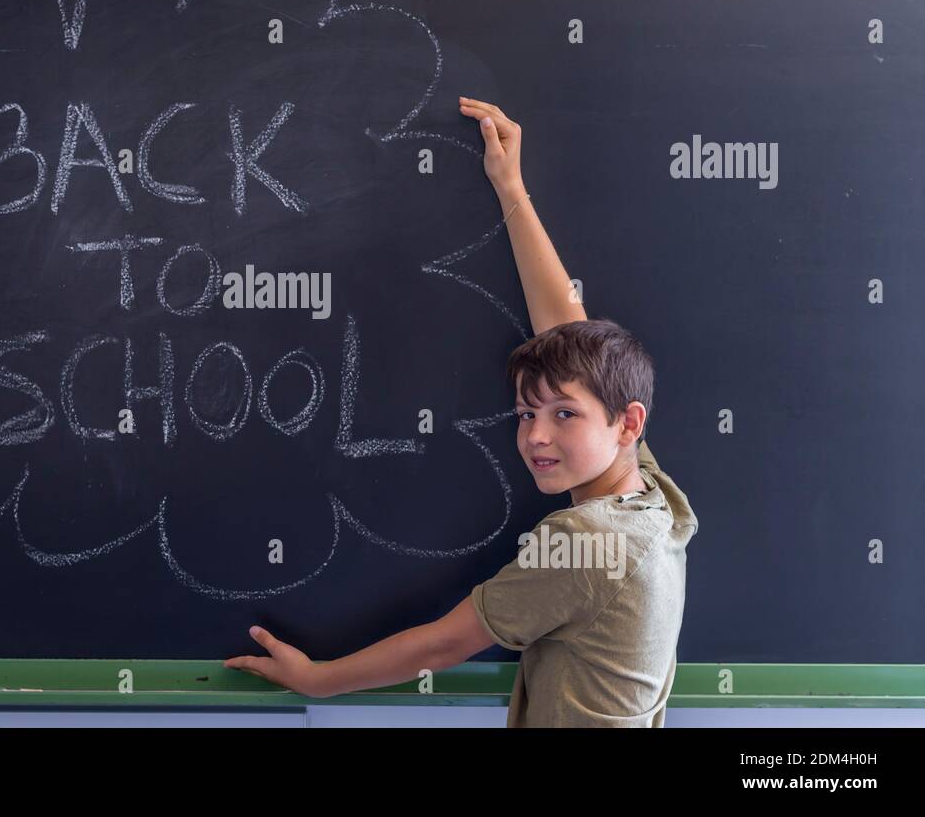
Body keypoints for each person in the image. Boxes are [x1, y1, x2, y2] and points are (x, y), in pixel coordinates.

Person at [223, 97, 699, 726]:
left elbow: (449, 641)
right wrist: (511, 188)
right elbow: (571, 339)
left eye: (563, 416)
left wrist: (320, 681)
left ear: (627, 424)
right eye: (527, 415)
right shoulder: (652, 503)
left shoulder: (590, 542)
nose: (536, 435)